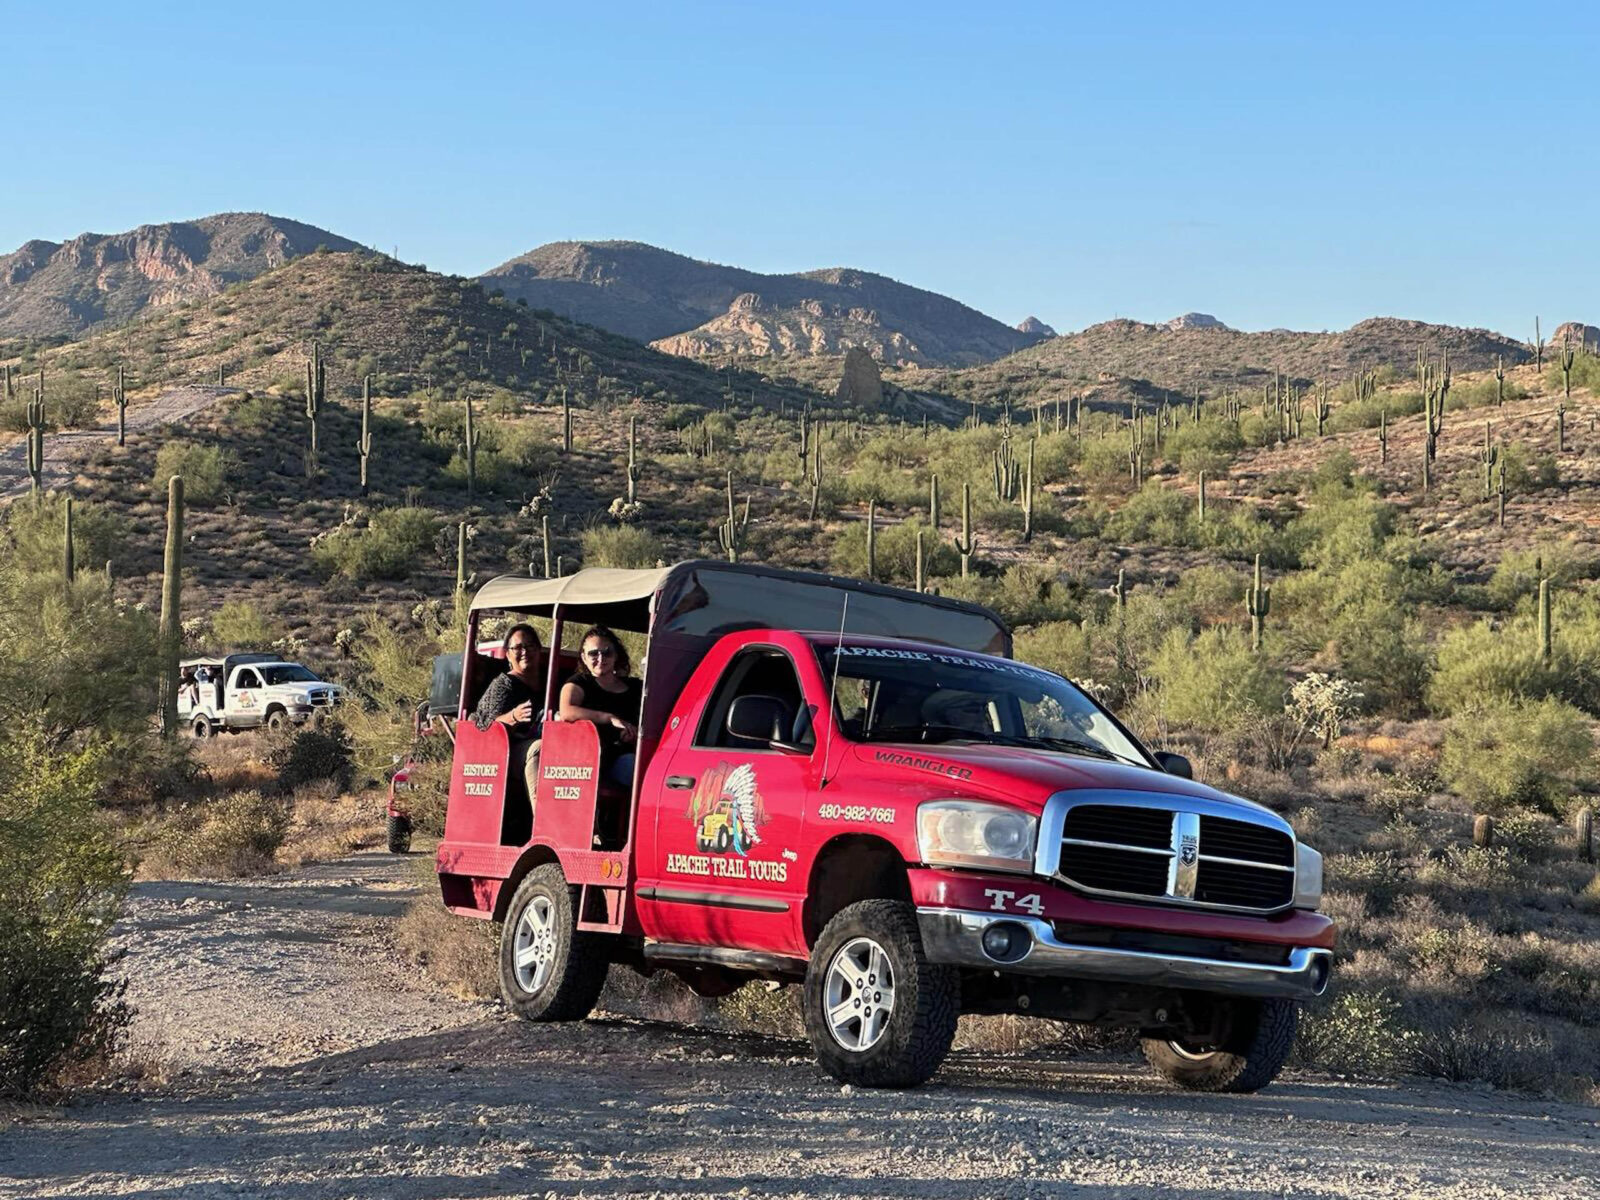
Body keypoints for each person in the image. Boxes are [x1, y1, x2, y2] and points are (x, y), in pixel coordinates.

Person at [471, 623, 545, 809]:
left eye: (530, 646)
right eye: (518, 647)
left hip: (552, 743)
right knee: (540, 747)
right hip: (505, 753)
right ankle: (543, 820)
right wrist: (513, 716)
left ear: (539, 650)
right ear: (508, 654)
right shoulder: (504, 685)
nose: (525, 652)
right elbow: (485, 726)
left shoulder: (550, 682)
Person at [560, 625, 642, 789]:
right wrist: (609, 718)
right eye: (593, 653)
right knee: (635, 770)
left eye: (607, 652)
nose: (600, 657)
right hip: (591, 760)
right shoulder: (579, 683)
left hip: (631, 751)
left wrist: (634, 736)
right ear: (584, 657)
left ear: (616, 655)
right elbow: (567, 711)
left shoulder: (636, 687)